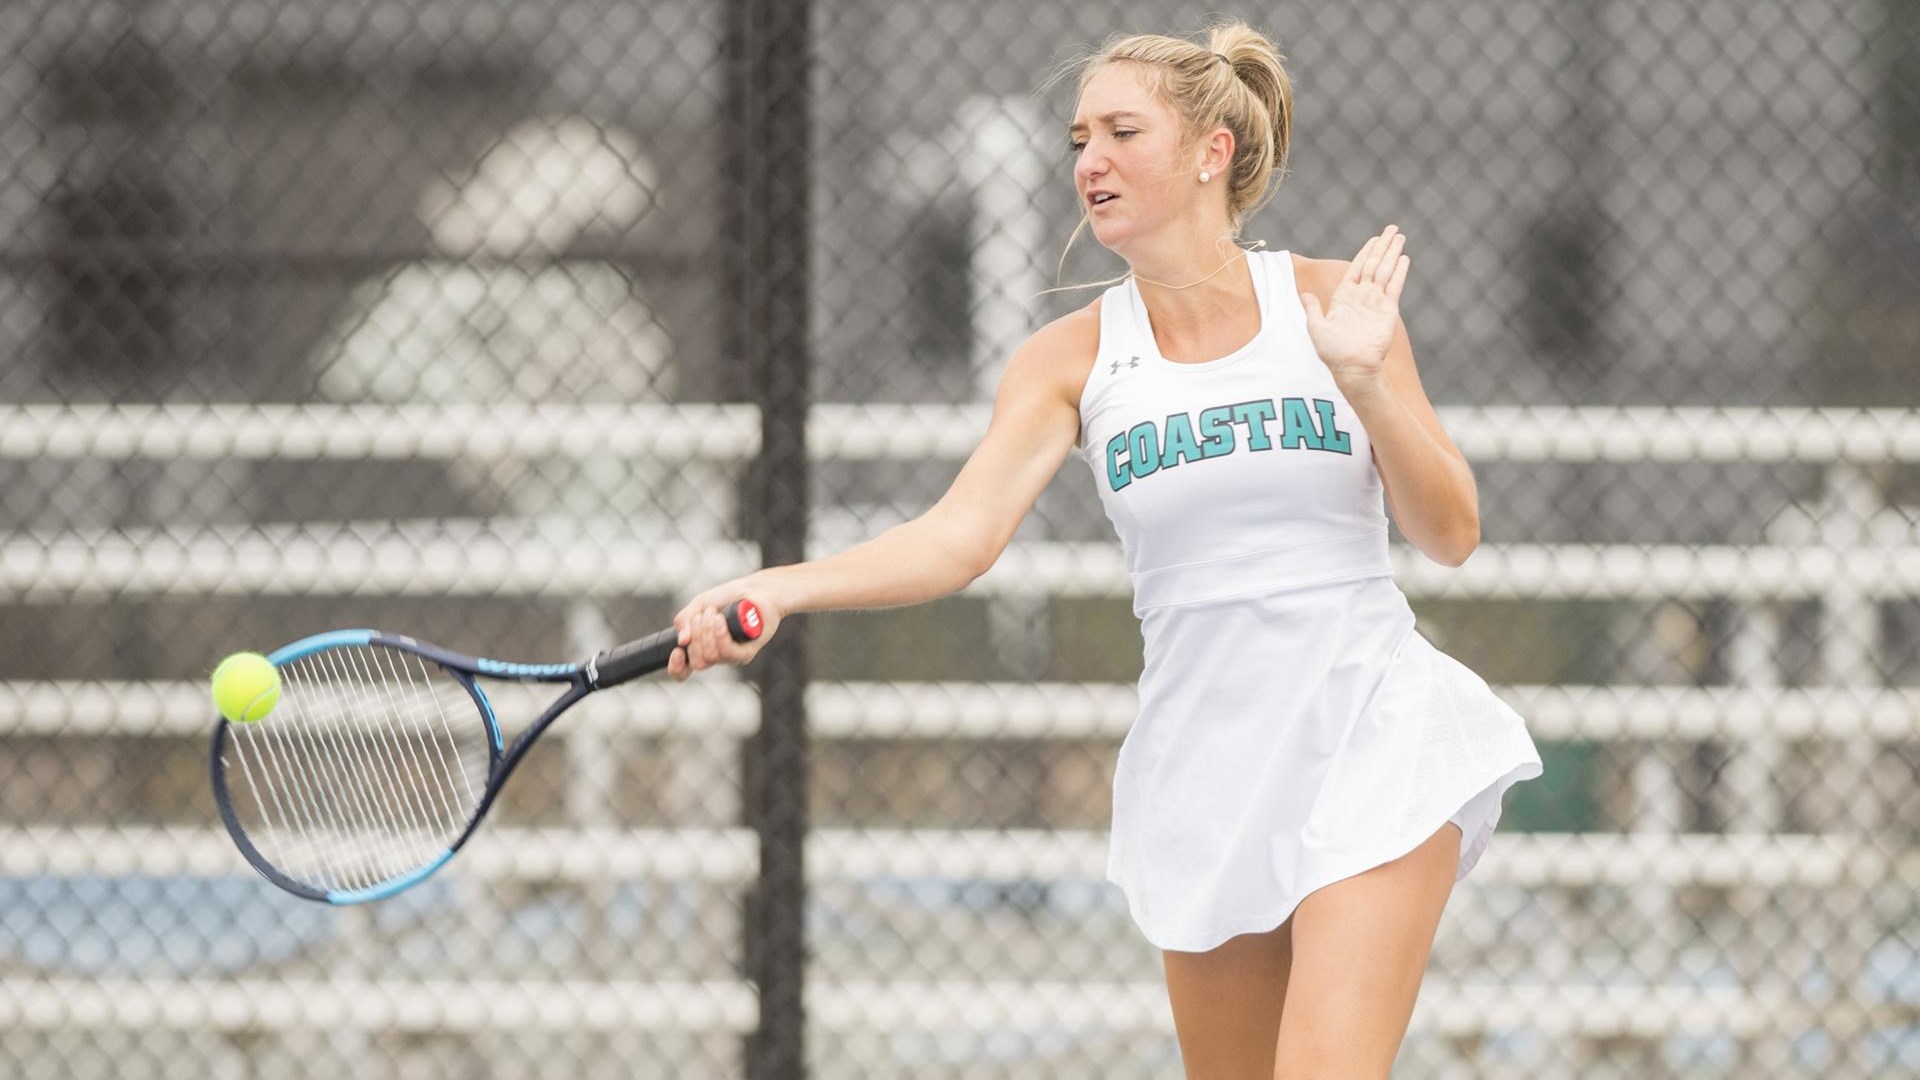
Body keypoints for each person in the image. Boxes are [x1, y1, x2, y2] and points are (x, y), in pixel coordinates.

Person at [670, 20, 1543, 1080]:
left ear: (1212, 152)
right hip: (1207, 763)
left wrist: (1365, 383)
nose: (1091, 161)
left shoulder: (1331, 304)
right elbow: (957, 539)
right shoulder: (1069, 358)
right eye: (1080, 139)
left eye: (1124, 133)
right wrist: (779, 586)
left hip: (1374, 728)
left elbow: (1451, 532)